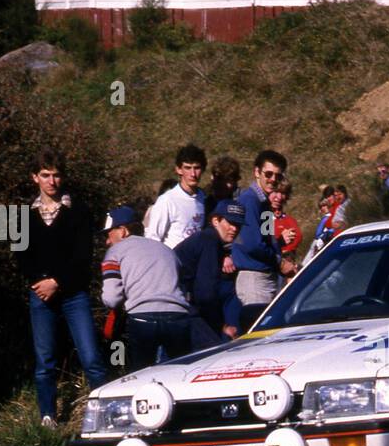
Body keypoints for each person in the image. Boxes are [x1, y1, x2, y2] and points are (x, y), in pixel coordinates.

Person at [15, 149, 109, 428]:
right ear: (35, 177)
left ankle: (104, 413)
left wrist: (57, 282)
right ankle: (48, 415)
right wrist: (40, 283)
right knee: (45, 360)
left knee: (91, 356)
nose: (51, 181)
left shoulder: (78, 211)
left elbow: (83, 256)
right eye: (45, 175)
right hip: (39, 294)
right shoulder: (23, 214)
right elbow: (21, 256)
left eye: (56, 175)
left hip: (73, 294)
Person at [100, 205, 192, 371]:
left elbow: (111, 298)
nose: (107, 241)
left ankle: (119, 384)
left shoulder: (115, 252)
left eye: (109, 234)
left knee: (137, 375)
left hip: (142, 320)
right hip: (179, 318)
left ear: (122, 231)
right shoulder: (167, 250)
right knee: (179, 374)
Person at [176, 200, 246, 348]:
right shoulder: (209, 241)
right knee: (213, 352)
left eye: (238, 225)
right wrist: (222, 326)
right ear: (216, 221)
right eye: (230, 223)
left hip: (179, 304)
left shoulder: (210, 240)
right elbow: (205, 293)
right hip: (179, 305)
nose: (234, 228)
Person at [233, 149, 296, 309]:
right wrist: (280, 263)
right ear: (257, 172)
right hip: (254, 277)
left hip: (268, 276)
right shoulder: (250, 201)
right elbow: (253, 244)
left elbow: (268, 239)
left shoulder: (265, 204)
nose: (273, 179)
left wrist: (281, 254)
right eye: (268, 174)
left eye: (278, 176)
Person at [144, 143, 207, 249]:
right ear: (178, 170)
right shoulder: (167, 200)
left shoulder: (203, 197)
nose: (193, 174)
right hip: (173, 260)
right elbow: (153, 238)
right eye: (187, 168)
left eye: (197, 168)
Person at [268, 176, 301, 258]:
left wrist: (286, 251)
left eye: (283, 193)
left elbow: (298, 236)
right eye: (276, 191)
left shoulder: (288, 220)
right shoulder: (262, 216)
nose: (279, 197)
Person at [203, 156, 241, 221]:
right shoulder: (203, 199)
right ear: (212, 178)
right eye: (220, 179)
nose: (224, 184)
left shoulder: (240, 201)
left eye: (229, 180)